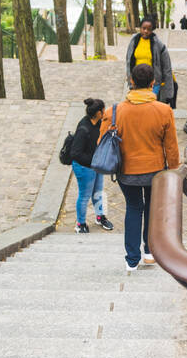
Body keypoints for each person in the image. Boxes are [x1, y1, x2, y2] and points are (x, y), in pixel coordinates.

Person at [104, 63, 180, 272]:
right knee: (151, 209)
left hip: (126, 170)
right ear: (153, 84)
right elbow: (171, 147)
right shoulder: (164, 111)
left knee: (133, 207)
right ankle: (149, 252)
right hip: (154, 170)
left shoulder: (114, 112)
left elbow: (102, 140)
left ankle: (131, 259)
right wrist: (174, 170)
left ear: (131, 82)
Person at [69, 97, 113, 233]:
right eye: (103, 110)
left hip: (96, 165)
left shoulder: (99, 122)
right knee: (84, 196)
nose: (105, 112)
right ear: (98, 112)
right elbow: (75, 153)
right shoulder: (84, 128)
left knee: (98, 193)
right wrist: (93, 161)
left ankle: (100, 217)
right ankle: (80, 224)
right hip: (84, 168)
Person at [124, 15, 176, 107]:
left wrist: (169, 92)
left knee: (151, 107)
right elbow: (128, 63)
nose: (145, 31)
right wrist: (130, 81)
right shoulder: (133, 42)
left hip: (153, 84)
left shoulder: (159, 45)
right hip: (136, 83)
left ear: (152, 30)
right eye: (143, 28)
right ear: (140, 28)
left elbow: (167, 68)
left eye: (149, 29)